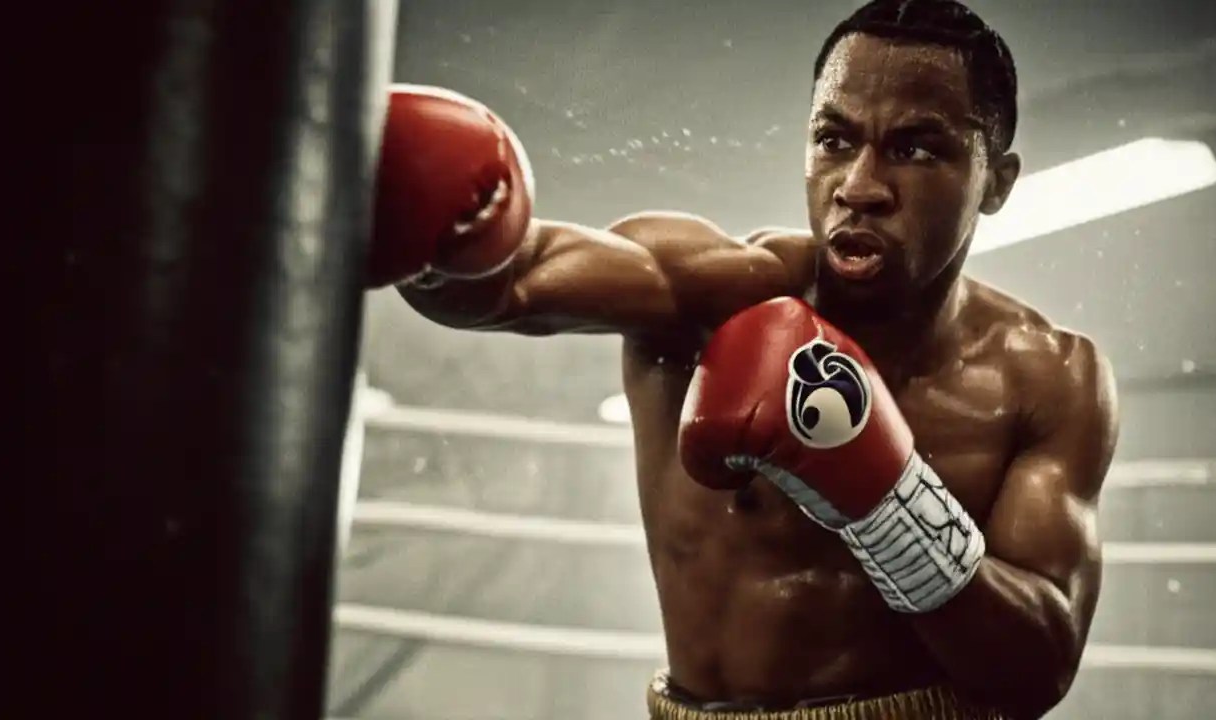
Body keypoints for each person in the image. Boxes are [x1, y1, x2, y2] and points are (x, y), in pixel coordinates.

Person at [368, 1, 1119, 718]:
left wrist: (886, 499)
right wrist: (427, 219)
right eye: (834, 139)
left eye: (914, 149)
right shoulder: (713, 294)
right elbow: (508, 284)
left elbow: (1039, 668)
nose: (858, 187)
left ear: (998, 181)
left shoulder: (1046, 380)